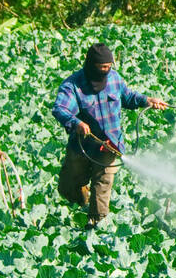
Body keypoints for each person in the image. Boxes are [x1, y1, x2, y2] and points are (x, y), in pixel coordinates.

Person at [51, 43, 167, 226]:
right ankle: (83, 198)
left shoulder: (114, 79)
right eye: (102, 67)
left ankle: (97, 226)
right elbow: (60, 109)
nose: (106, 71)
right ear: (91, 66)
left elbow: (128, 96)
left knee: (103, 186)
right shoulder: (73, 85)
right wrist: (77, 123)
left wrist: (147, 100)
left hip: (109, 145)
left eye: (109, 66)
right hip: (82, 146)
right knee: (67, 187)